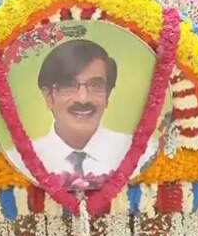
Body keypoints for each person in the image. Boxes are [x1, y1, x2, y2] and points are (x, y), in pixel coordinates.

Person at [32, 40, 134, 183]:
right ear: (48, 96)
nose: (83, 98)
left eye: (96, 85)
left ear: (107, 95)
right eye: (69, 85)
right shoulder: (19, 161)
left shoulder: (140, 154)